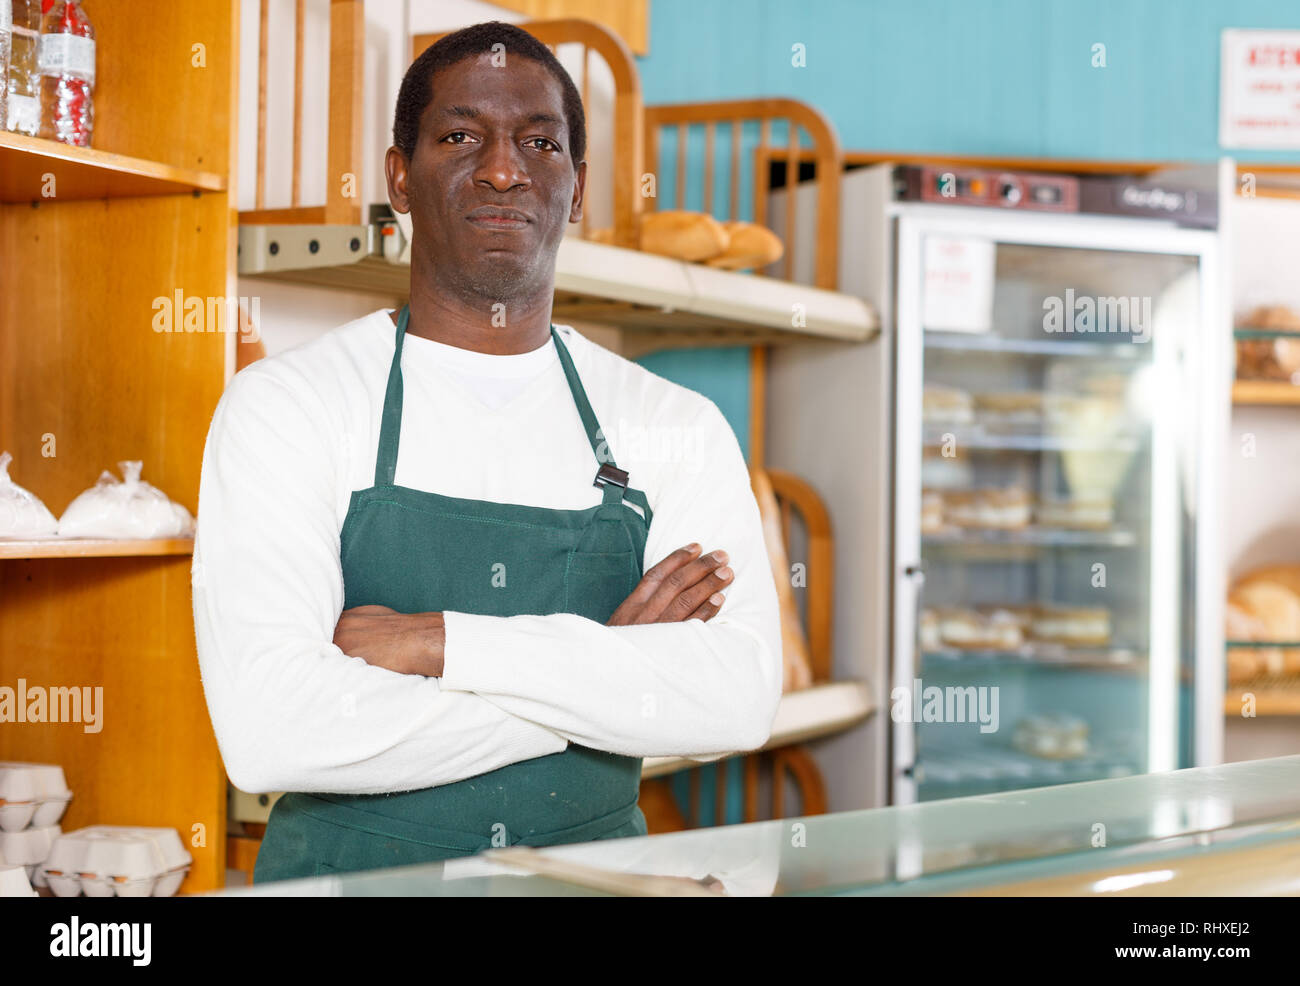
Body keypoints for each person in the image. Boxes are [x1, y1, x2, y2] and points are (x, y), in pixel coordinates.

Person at [192, 20, 782, 882]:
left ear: (576, 188)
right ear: (400, 176)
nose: (504, 168)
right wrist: (605, 664)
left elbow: (736, 700)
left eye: (539, 142)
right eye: (461, 136)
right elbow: (273, 735)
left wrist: (442, 644)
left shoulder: (672, 423)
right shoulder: (289, 406)